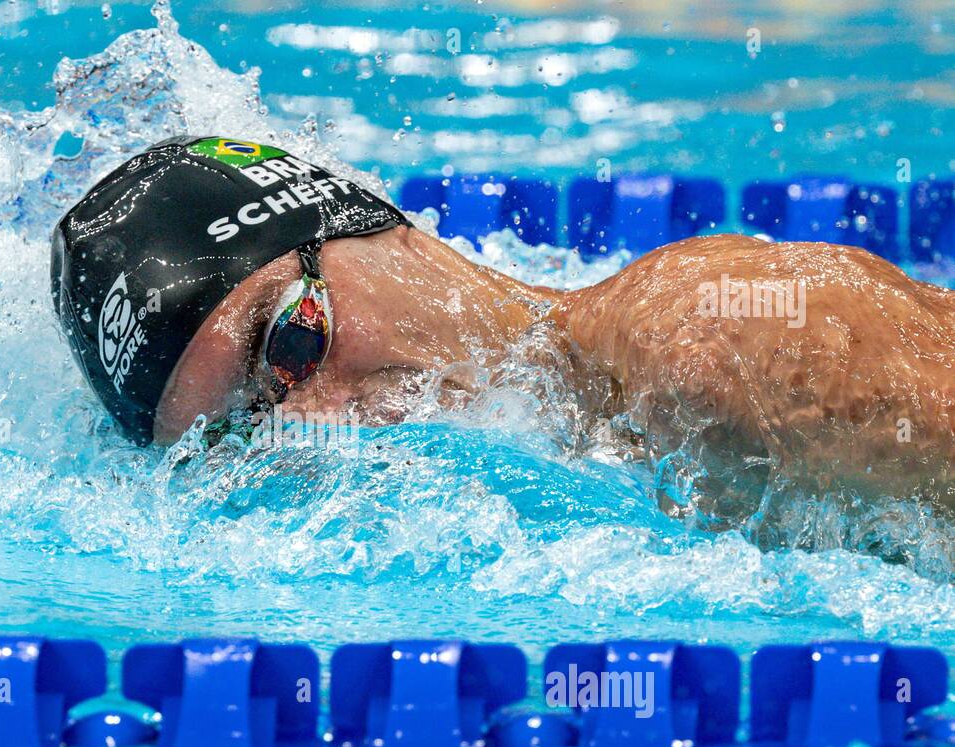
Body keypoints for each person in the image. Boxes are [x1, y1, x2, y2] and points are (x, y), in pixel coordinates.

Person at [53, 137, 955, 526]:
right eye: (250, 430)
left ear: (371, 231)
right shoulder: (596, 442)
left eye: (292, 343)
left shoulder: (712, 350)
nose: (318, 422)